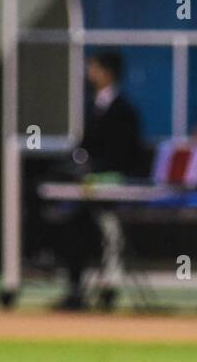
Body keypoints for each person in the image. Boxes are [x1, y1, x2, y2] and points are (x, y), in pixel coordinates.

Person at [51, 50, 149, 311]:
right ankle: (76, 287)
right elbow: (84, 149)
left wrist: (96, 169)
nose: (88, 73)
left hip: (114, 189)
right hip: (92, 190)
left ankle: (106, 286)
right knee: (73, 225)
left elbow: (126, 155)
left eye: (93, 68)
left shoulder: (125, 111)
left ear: (107, 73)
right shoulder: (92, 107)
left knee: (102, 227)